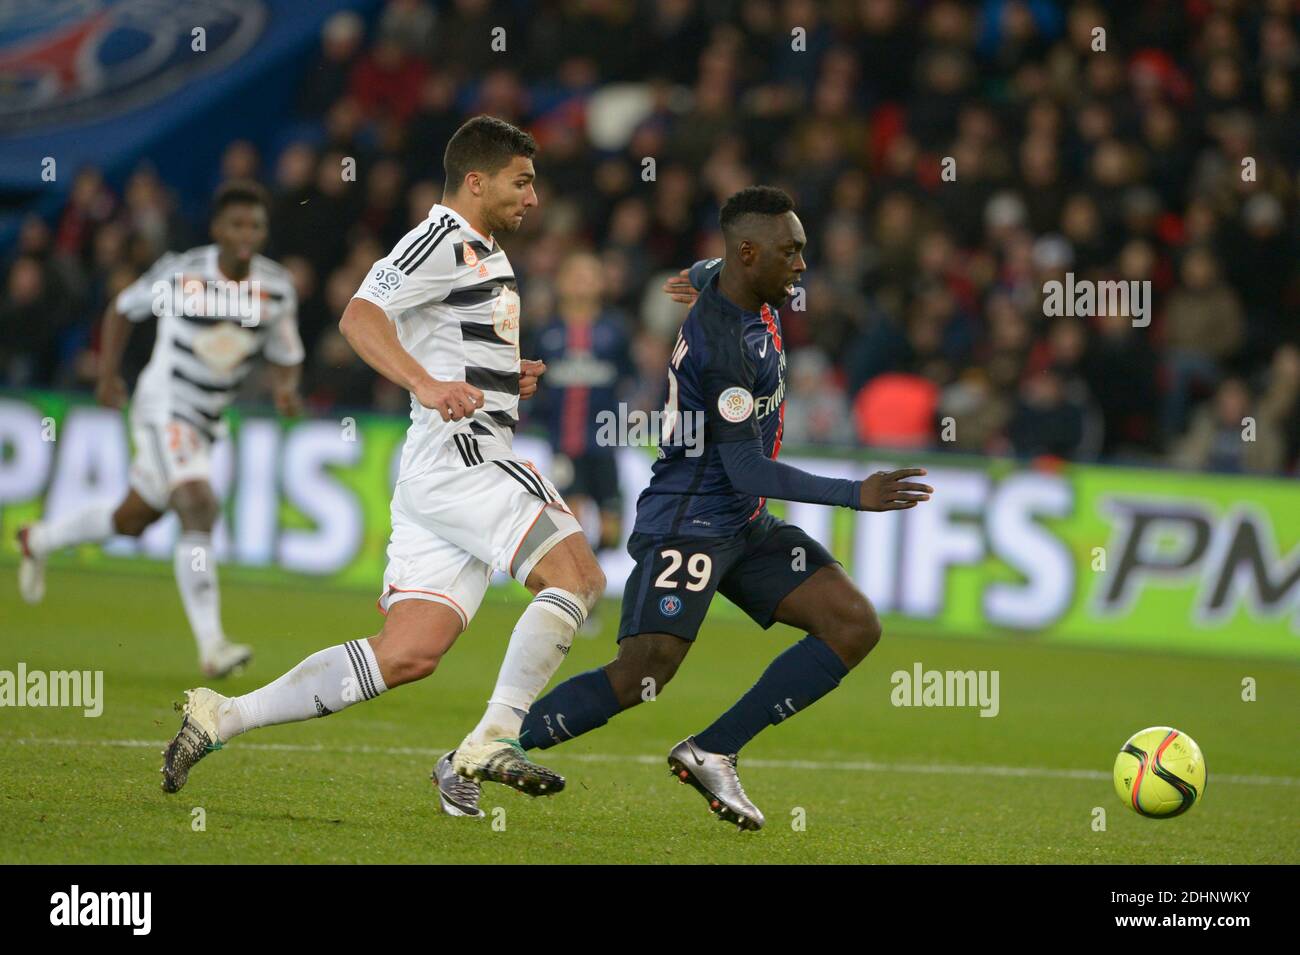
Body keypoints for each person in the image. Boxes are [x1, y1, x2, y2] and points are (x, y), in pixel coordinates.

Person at [158, 117, 607, 818]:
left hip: (439, 470)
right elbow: (360, 316)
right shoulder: (438, 239)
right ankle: (490, 738)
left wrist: (498, 375)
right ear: (477, 180)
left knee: (408, 653)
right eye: (523, 182)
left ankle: (223, 714)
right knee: (579, 577)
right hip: (468, 460)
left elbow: (443, 337)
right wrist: (426, 386)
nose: (534, 198)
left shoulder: (480, 250)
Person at [510, 187, 934, 830]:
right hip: (690, 519)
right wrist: (855, 493)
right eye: (790, 251)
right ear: (749, 252)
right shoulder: (723, 347)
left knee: (853, 625)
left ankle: (713, 749)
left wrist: (701, 273)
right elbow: (744, 465)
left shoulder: (738, 283)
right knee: (641, 674)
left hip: (740, 520)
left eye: (802, 250)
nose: (800, 265)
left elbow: (713, 272)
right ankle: (489, 750)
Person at [17, 180, 304, 678]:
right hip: (164, 404)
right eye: (235, 223)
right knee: (198, 504)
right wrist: (107, 378)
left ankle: (39, 539)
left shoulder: (276, 287)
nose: (245, 233)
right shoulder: (181, 273)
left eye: (255, 224)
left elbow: (286, 353)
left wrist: (284, 390)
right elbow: (120, 310)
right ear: (216, 228)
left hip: (208, 419)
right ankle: (213, 645)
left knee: (134, 519)